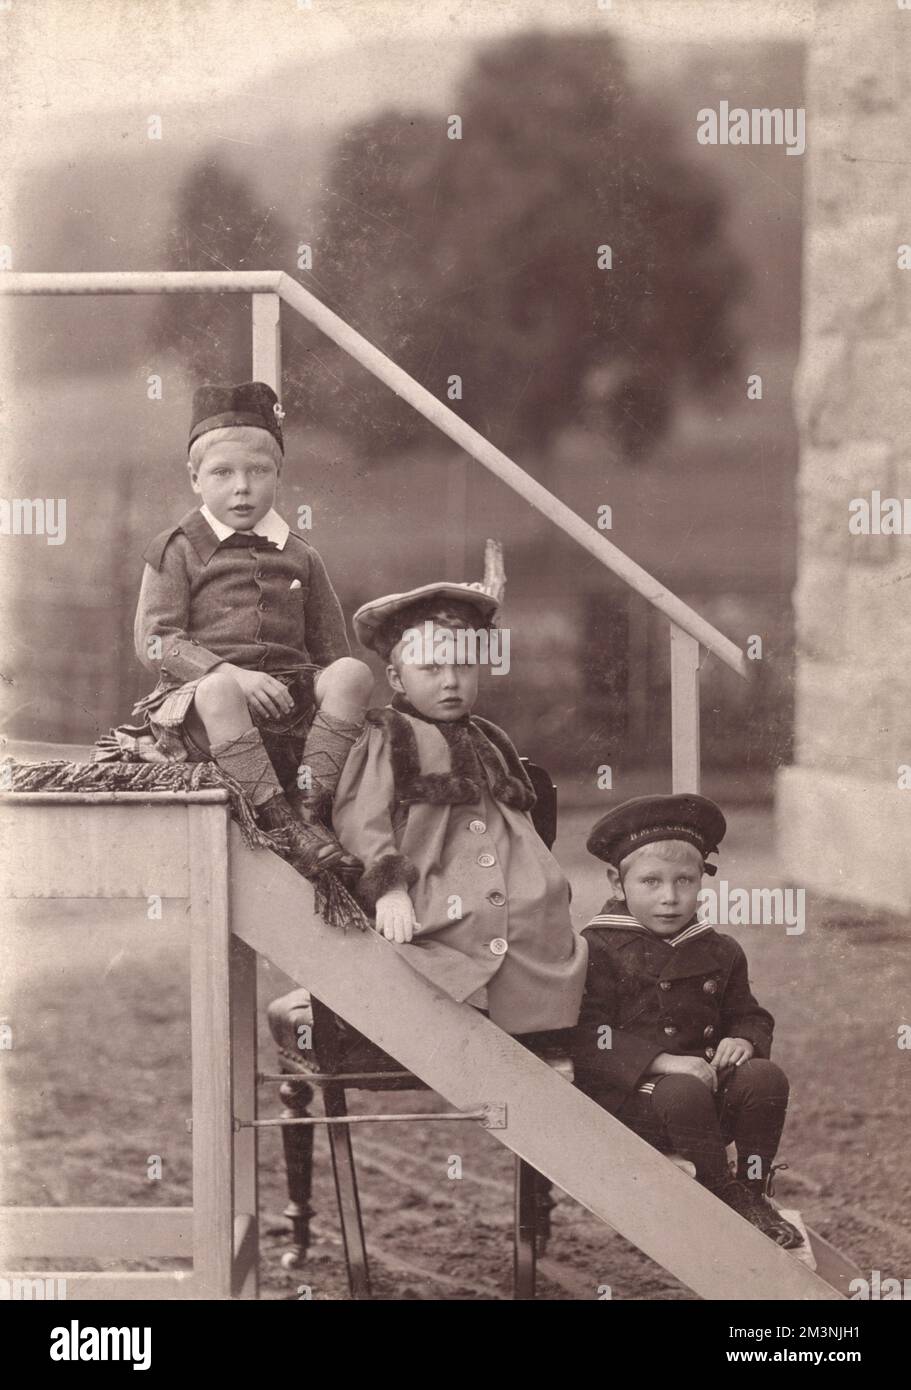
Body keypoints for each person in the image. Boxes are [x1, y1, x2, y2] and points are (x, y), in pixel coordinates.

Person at [121, 380, 373, 881]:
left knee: (351, 673)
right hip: (204, 707)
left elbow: (329, 649)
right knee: (217, 689)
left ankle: (310, 811)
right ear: (195, 478)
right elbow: (156, 640)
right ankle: (278, 822)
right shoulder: (176, 549)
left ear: (277, 474)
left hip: (289, 703)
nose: (241, 486)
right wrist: (231, 673)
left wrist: (328, 693)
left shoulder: (301, 553)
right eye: (222, 472)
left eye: (258, 471)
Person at [331, 581, 588, 1037]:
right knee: (458, 923)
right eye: (430, 668)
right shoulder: (390, 734)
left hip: (513, 881)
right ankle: (478, 1012)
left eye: (463, 666)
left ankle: (545, 1035)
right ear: (396, 678)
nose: (450, 681)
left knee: (537, 907)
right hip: (435, 878)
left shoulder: (489, 736)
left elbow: (517, 816)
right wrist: (388, 887)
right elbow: (362, 817)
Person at [572, 793, 803, 1248]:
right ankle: (721, 1193)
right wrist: (662, 1061)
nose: (670, 898)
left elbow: (749, 1013)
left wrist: (744, 1039)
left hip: (707, 1098)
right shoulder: (597, 948)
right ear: (617, 884)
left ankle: (752, 1192)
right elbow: (587, 1036)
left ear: (702, 881)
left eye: (684, 881)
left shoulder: (720, 950)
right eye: (651, 882)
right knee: (681, 1088)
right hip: (637, 1103)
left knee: (765, 1078)